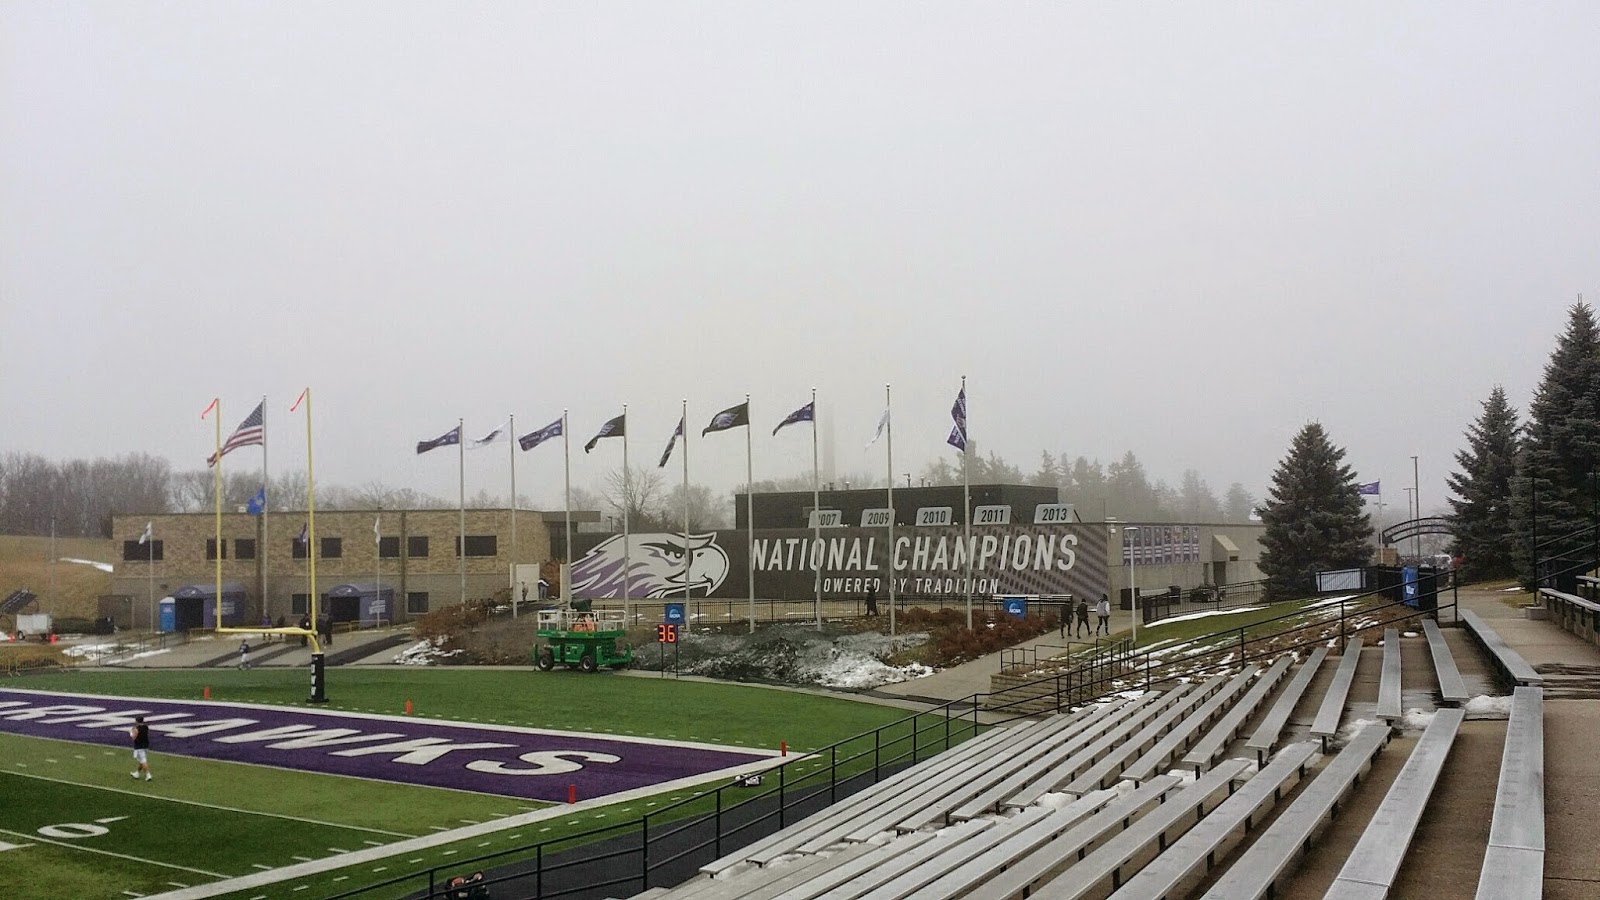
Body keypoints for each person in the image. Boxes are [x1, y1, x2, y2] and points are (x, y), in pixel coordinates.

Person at [129, 714, 152, 781]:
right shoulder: (146, 727)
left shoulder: (136, 729)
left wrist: (131, 733)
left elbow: (134, 737)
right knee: (142, 761)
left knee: (143, 761)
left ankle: (148, 774)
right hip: (146, 745)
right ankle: (137, 773)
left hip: (139, 746)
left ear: (137, 721)